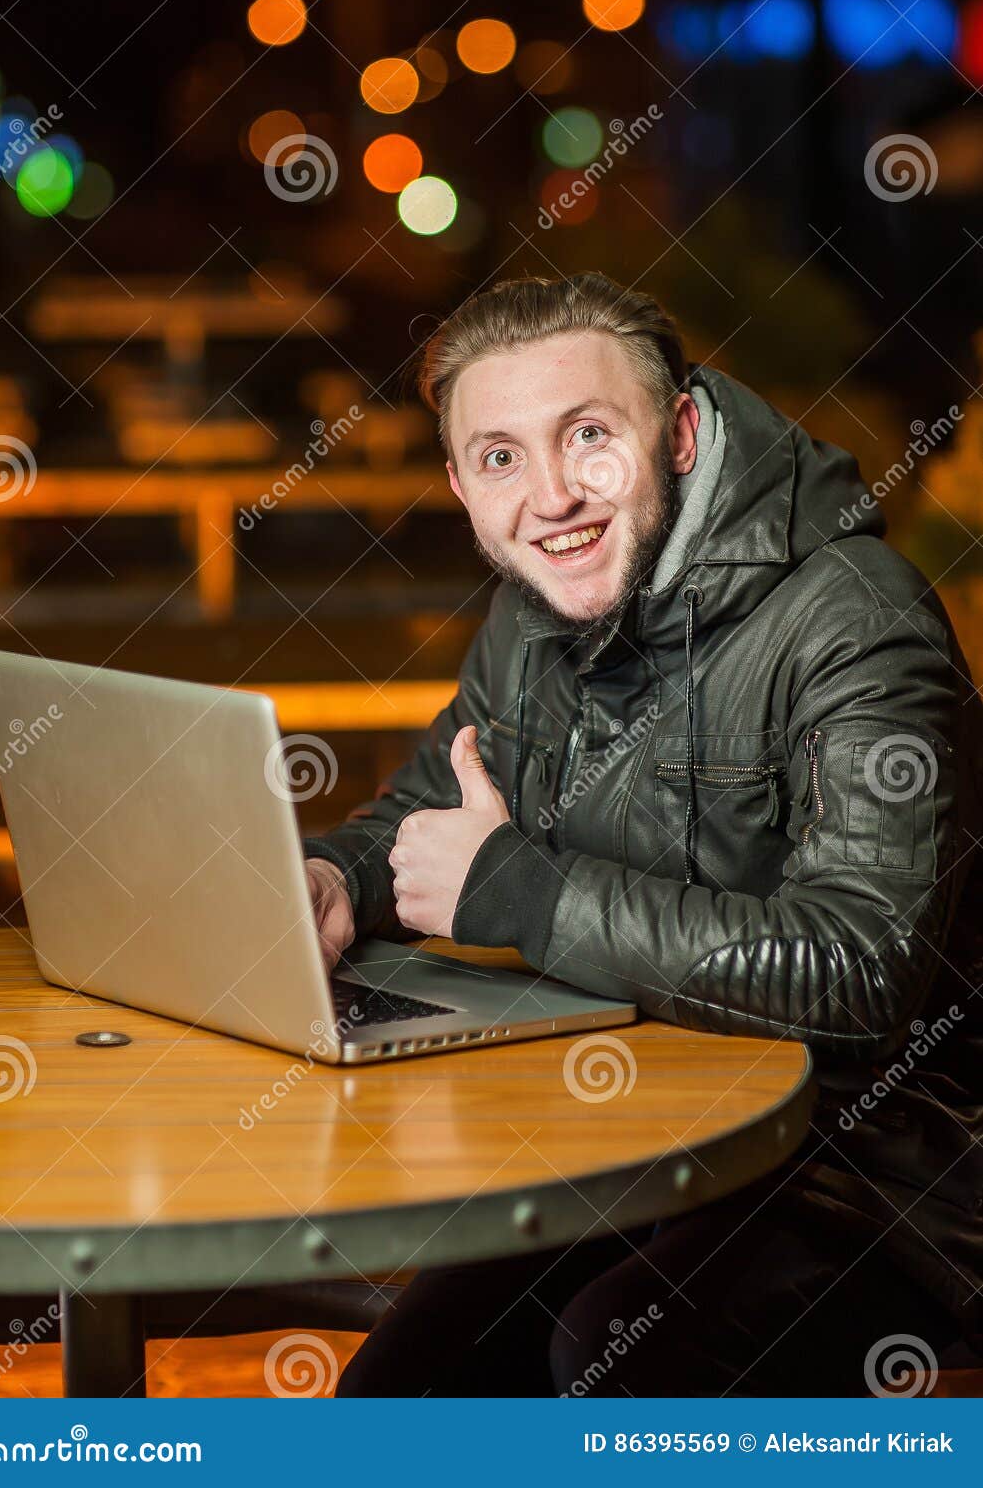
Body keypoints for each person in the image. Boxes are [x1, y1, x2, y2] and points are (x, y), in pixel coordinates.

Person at [302, 271, 983, 1397]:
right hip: (648, 1125)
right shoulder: (538, 610)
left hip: (892, 1171)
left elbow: (862, 970)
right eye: (502, 457)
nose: (553, 495)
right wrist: (340, 872)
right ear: (462, 483)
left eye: (588, 436)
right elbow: (436, 807)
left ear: (675, 432)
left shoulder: (856, 618)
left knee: (615, 1366)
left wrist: (522, 895)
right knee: (400, 1394)